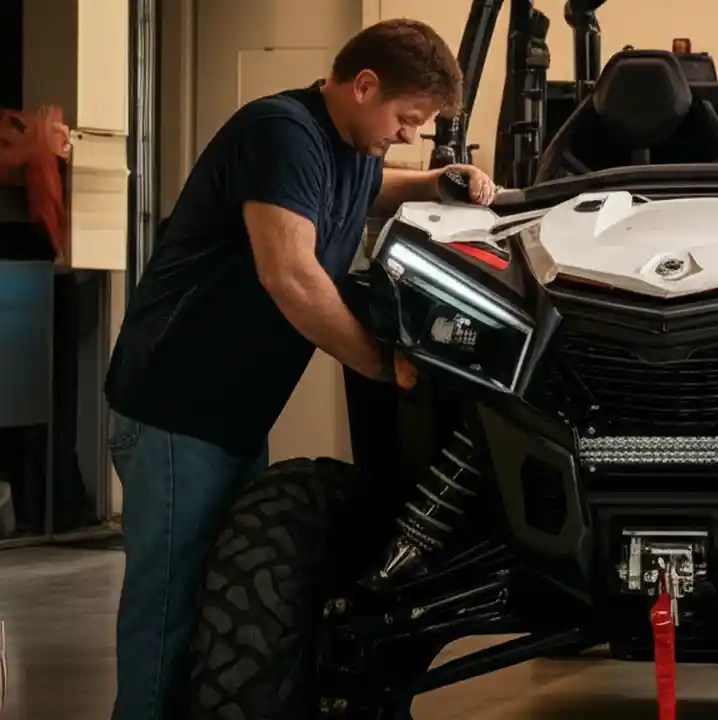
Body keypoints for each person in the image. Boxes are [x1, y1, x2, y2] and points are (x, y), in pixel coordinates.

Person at [102, 18, 496, 719]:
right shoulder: (282, 132)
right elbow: (291, 276)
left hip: (230, 413)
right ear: (363, 84)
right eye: (407, 118)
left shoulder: (346, 144)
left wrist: (438, 182)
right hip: (175, 409)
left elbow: (369, 188)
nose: (409, 133)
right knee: (170, 611)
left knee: (222, 601)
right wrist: (384, 366)